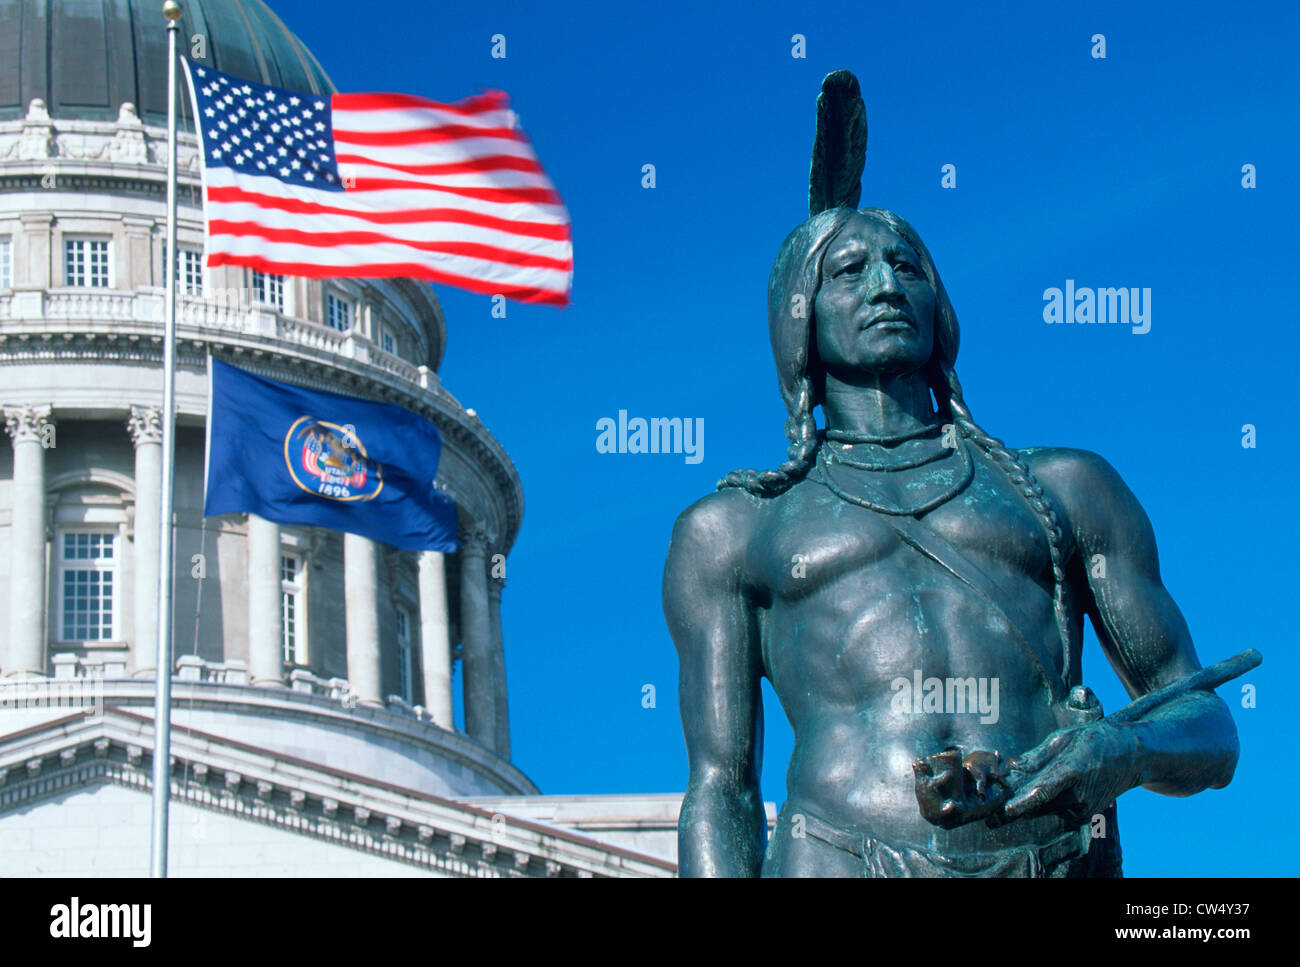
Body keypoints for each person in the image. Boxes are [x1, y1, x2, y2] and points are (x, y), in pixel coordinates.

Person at [662, 205, 1240, 877]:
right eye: (849, 271)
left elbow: (1208, 723)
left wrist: (1126, 750)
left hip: (1052, 860)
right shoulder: (730, 529)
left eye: (906, 268)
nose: (886, 286)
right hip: (836, 860)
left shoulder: (1071, 488)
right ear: (798, 320)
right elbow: (721, 789)